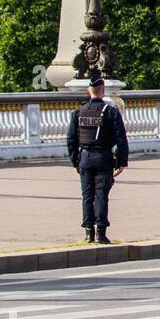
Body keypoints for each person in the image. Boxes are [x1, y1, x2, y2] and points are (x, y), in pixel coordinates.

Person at [66, 74, 129, 244]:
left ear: (89, 90)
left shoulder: (78, 112)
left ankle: (88, 233)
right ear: (102, 91)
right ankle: (101, 233)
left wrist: (74, 161)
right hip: (103, 158)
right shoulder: (111, 112)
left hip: (85, 158)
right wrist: (122, 162)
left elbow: (71, 139)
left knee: (87, 195)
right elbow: (121, 138)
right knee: (101, 195)